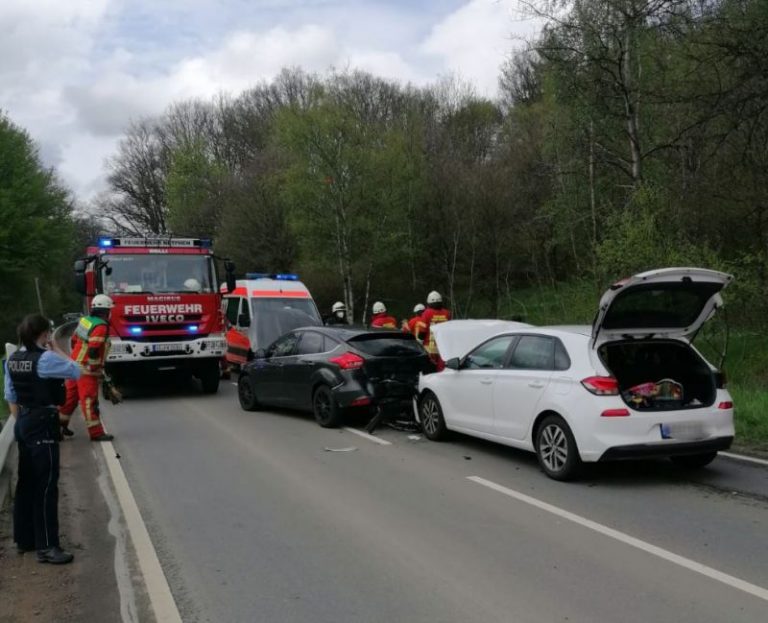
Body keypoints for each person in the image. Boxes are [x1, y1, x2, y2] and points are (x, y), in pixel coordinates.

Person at [4, 314, 81, 564]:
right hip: (42, 423)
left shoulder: (13, 359)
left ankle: (25, 539)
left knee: (25, 483)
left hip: (23, 421)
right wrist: (57, 347)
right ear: (44, 334)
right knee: (46, 486)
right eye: (49, 333)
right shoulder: (46, 359)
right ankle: (48, 546)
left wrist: (22, 422)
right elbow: (76, 370)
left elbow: (10, 394)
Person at [58, 295, 119, 441]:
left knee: (69, 399)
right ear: (106, 311)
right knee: (89, 400)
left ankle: (59, 427)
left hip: (74, 366)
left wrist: (77, 359)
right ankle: (96, 433)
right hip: (86, 369)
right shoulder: (101, 326)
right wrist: (93, 368)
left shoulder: (85, 321)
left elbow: (74, 340)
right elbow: (93, 349)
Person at [421, 291, 452, 361]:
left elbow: (422, 331)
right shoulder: (447, 313)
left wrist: (419, 342)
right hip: (444, 347)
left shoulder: (426, 313)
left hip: (430, 347)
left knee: (430, 370)